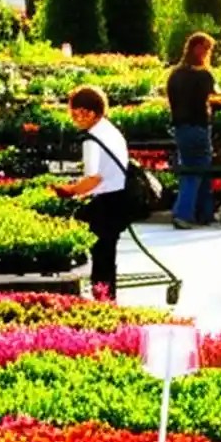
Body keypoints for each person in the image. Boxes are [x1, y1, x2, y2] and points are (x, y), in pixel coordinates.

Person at [54, 85, 129, 300]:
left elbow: (93, 178)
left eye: (75, 113)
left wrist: (69, 191)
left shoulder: (92, 139)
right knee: (106, 254)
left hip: (107, 201)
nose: (73, 118)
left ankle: (102, 298)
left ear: (89, 113)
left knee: (101, 254)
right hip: (119, 197)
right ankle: (106, 296)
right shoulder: (109, 129)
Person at [166, 32, 220, 229]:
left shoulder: (175, 74)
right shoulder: (203, 75)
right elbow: (215, 95)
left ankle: (204, 213)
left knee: (199, 169)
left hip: (180, 128)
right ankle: (183, 213)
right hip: (198, 126)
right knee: (195, 170)